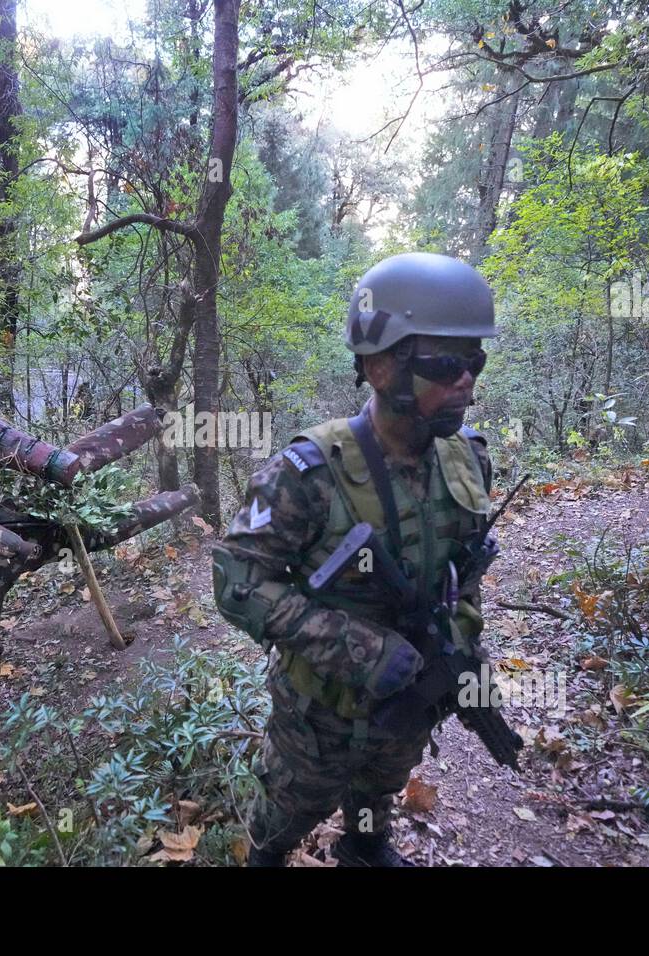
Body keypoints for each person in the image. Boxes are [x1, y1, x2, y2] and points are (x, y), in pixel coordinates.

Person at [212, 252, 501, 866]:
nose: (466, 381)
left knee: (379, 786)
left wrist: (465, 653)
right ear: (378, 365)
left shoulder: (468, 459)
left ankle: (364, 845)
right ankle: (267, 857)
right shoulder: (307, 474)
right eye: (445, 364)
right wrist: (357, 647)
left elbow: (462, 575)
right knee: (291, 806)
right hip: (321, 712)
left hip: (412, 694)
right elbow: (236, 580)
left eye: (473, 361)